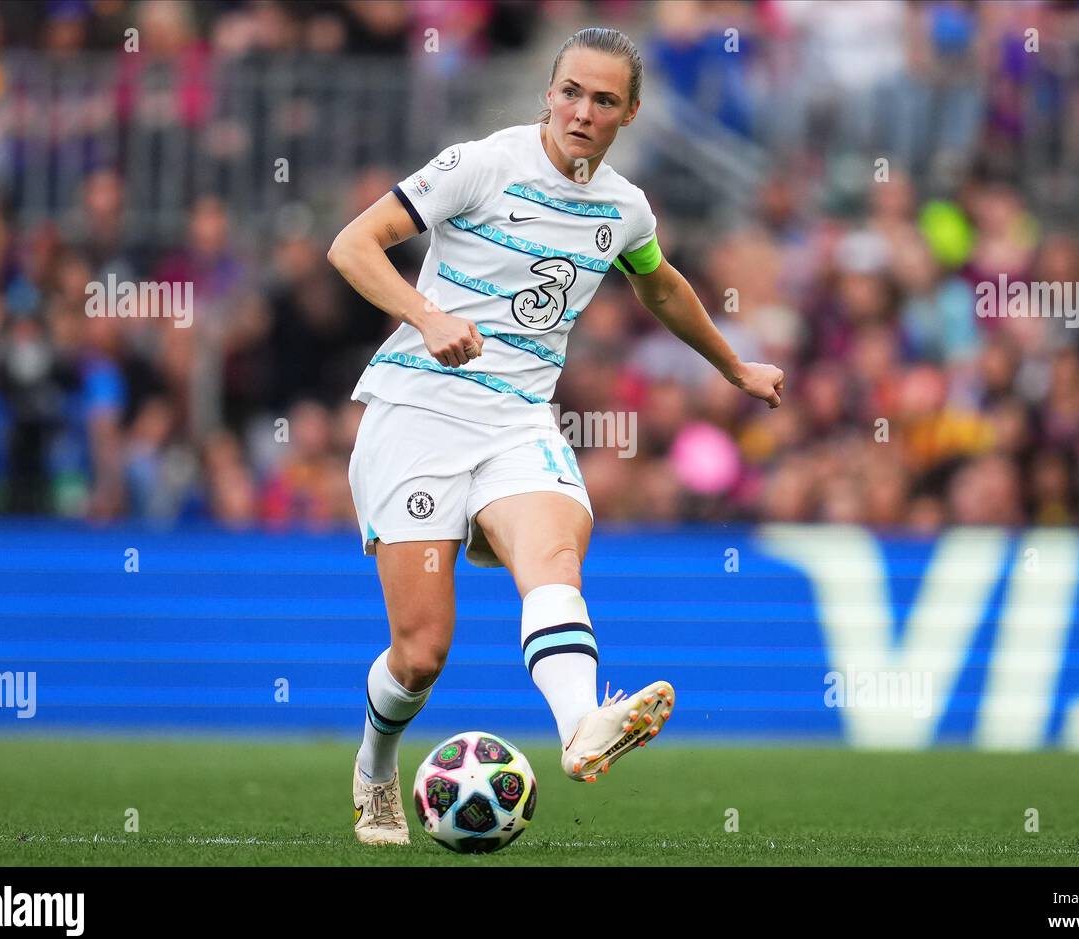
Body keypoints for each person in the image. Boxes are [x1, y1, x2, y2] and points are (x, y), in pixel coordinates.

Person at [328, 27, 785, 845]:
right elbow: (352, 245)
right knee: (422, 652)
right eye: (571, 91)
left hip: (518, 422)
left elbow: (664, 287)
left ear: (630, 113)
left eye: (604, 100)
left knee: (554, 554)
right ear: (548, 91)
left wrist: (733, 367)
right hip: (419, 412)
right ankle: (373, 771)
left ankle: (584, 723)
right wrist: (426, 315)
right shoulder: (481, 164)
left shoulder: (623, 208)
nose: (582, 111)